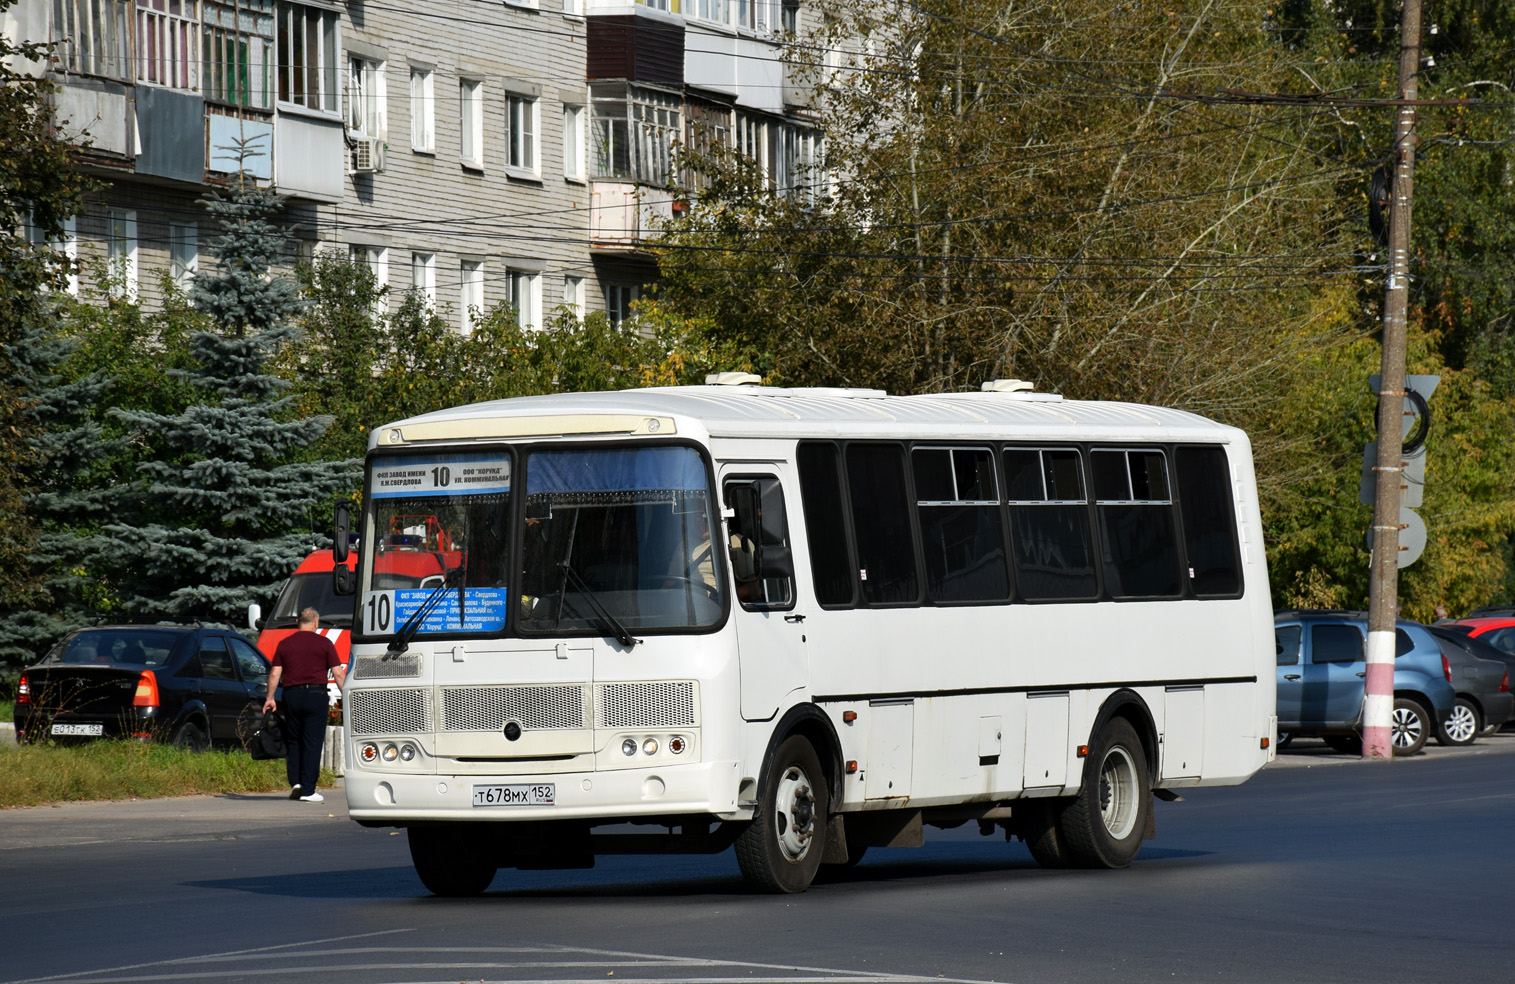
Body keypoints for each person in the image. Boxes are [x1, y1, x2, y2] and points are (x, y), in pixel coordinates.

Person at [264, 607, 346, 803]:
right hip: (316, 695)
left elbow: (275, 674)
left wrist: (270, 698)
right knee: (312, 742)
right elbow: (338, 673)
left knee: (294, 739)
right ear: (316, 622)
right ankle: (309, 790)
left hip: (291, 695)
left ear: (298, 623)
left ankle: (296, 783)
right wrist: (348, 696)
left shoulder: (285, 644)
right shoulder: (325, 643)